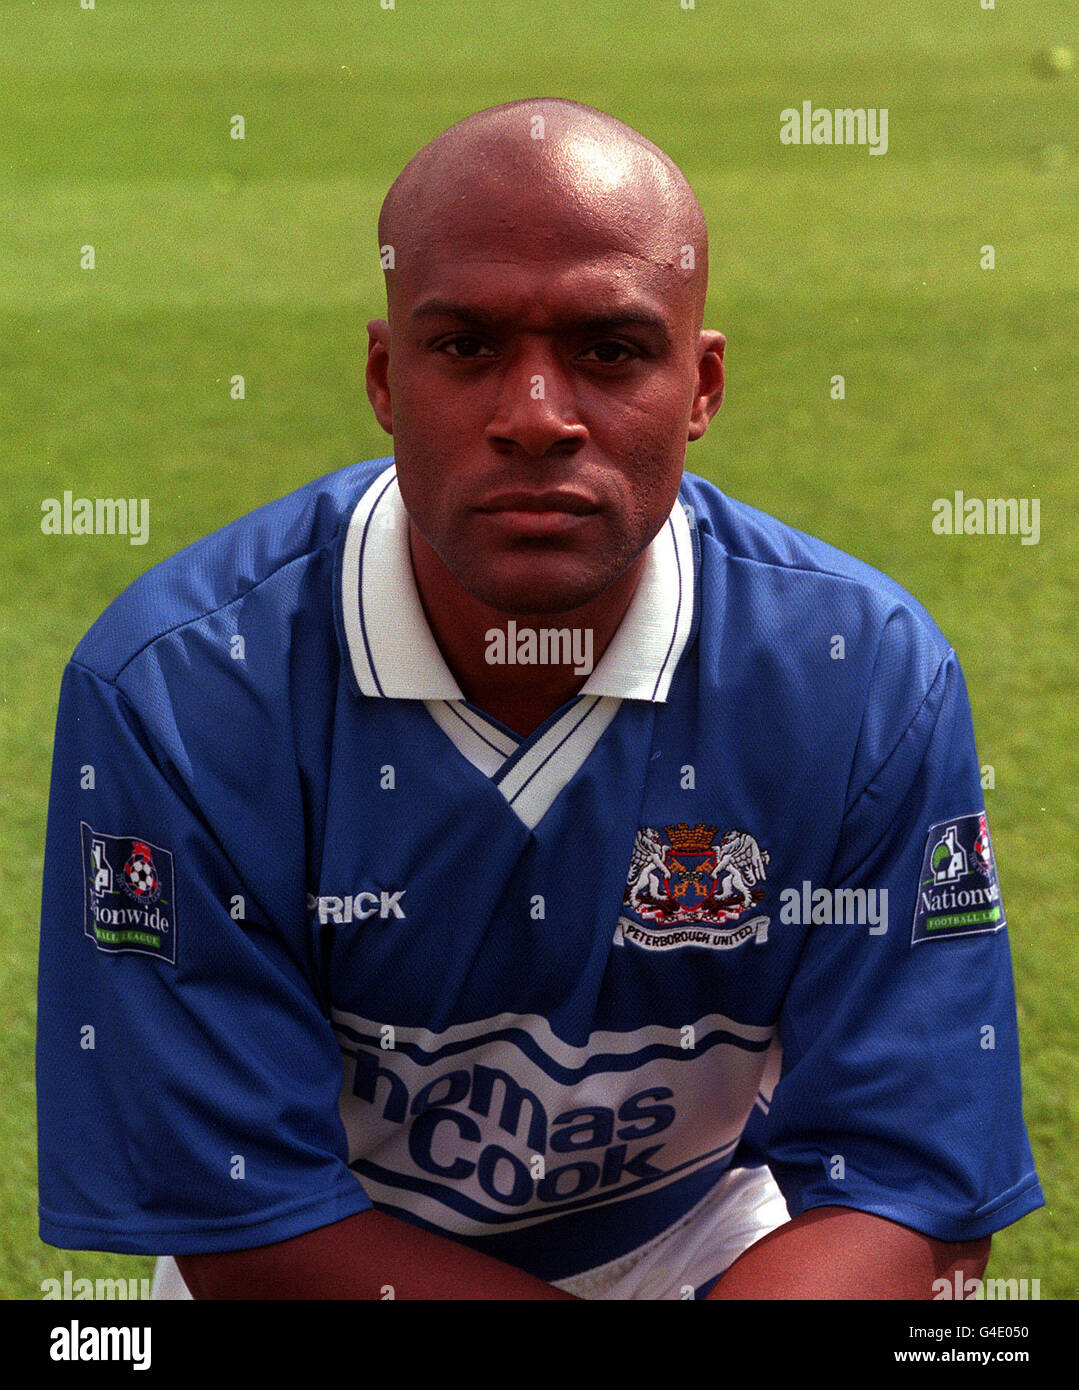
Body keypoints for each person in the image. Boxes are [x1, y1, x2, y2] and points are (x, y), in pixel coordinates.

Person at [36, 98, 1043, 1300]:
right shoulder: (179, 689)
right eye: (464, 348)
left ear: (701, 384)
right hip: (344, 1260)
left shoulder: (863, 672)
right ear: (383, 377)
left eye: (609, 351)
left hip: (720, 1249)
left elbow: (911, 1185)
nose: (534, 418)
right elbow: (242, 1219)